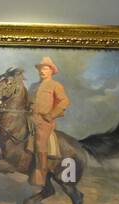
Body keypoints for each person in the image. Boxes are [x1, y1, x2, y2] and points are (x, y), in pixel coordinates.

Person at [29, 56, 69, 186]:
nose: (42, 71)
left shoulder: (55, 85)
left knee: (40, 141)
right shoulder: (33, 86)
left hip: (44, 121)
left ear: (51, 70)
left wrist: (51, 115)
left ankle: (40, 174)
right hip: (29, 117)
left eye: (45, 68)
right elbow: (27, 102)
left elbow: (64, 102)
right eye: (40, 68)